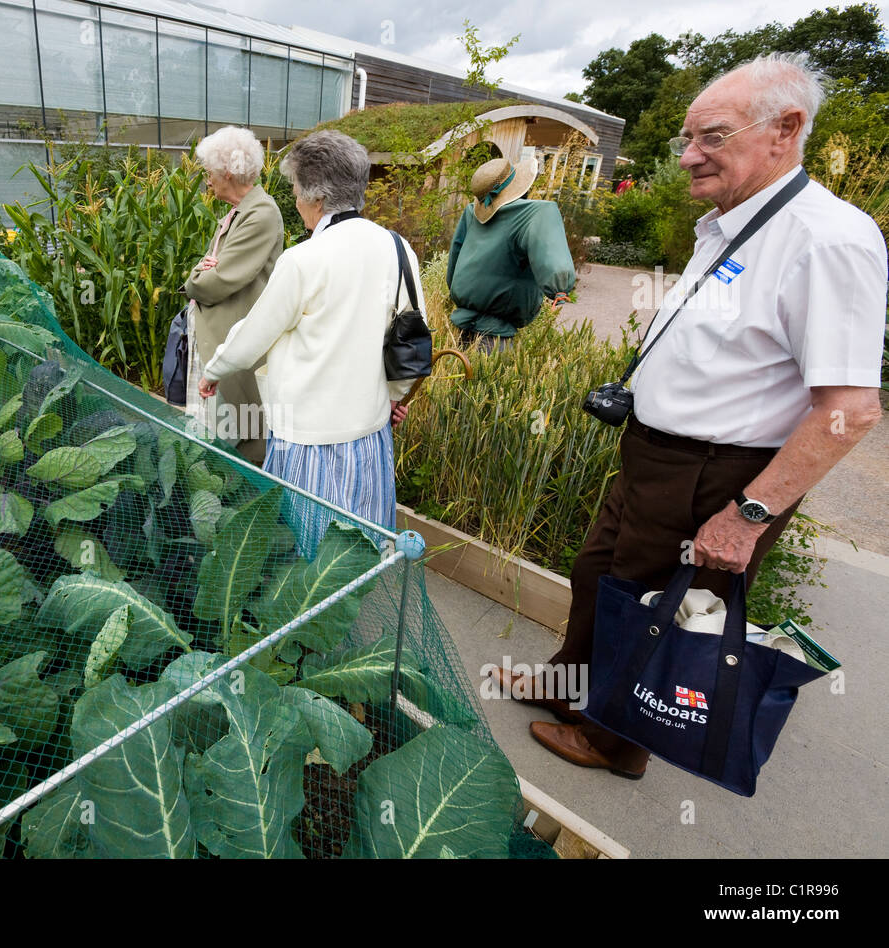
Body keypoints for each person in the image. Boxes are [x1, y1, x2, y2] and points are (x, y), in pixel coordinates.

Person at [491, 53, 887, 778]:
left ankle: (616, 743)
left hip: (717, 471)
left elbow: (851, 410)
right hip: (659, 454)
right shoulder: (736, 223)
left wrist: (748, 515)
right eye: (685, 137)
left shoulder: (827, 238)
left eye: (709, 136)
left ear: (786, 129)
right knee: (600, 574)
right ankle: (571, 684)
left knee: (661, 610)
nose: (687, 156)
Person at [198, 129, 422, 556]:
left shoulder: (304, 260)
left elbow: (253, 335)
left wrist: (214, 370)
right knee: (358, 549)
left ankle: (310, 619)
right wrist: (394, 396)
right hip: (370, 438)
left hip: (310, 443)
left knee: (308, 556)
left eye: (297, 190)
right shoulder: (398, 248)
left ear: (316, 198)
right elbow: (410, 334)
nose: (296, 200)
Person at [184, 126, 285, 464]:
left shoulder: (261, 214)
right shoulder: (238, 213)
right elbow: (212, 269)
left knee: (242, 436)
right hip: (220, 341)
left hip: (236, 343)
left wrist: (198, 275)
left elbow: (212, 282)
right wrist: (205, 267)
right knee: (219, 435)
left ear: (227, 172)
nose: (207, 180)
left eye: (210, 172)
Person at [446, 156, 575, 352]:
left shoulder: (471, 213)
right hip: (495, 339)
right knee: (490, 381)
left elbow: (454, 264)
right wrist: (560, 287)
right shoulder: (533, 214)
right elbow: (551, 251)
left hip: (458, 327)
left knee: (455, 380)